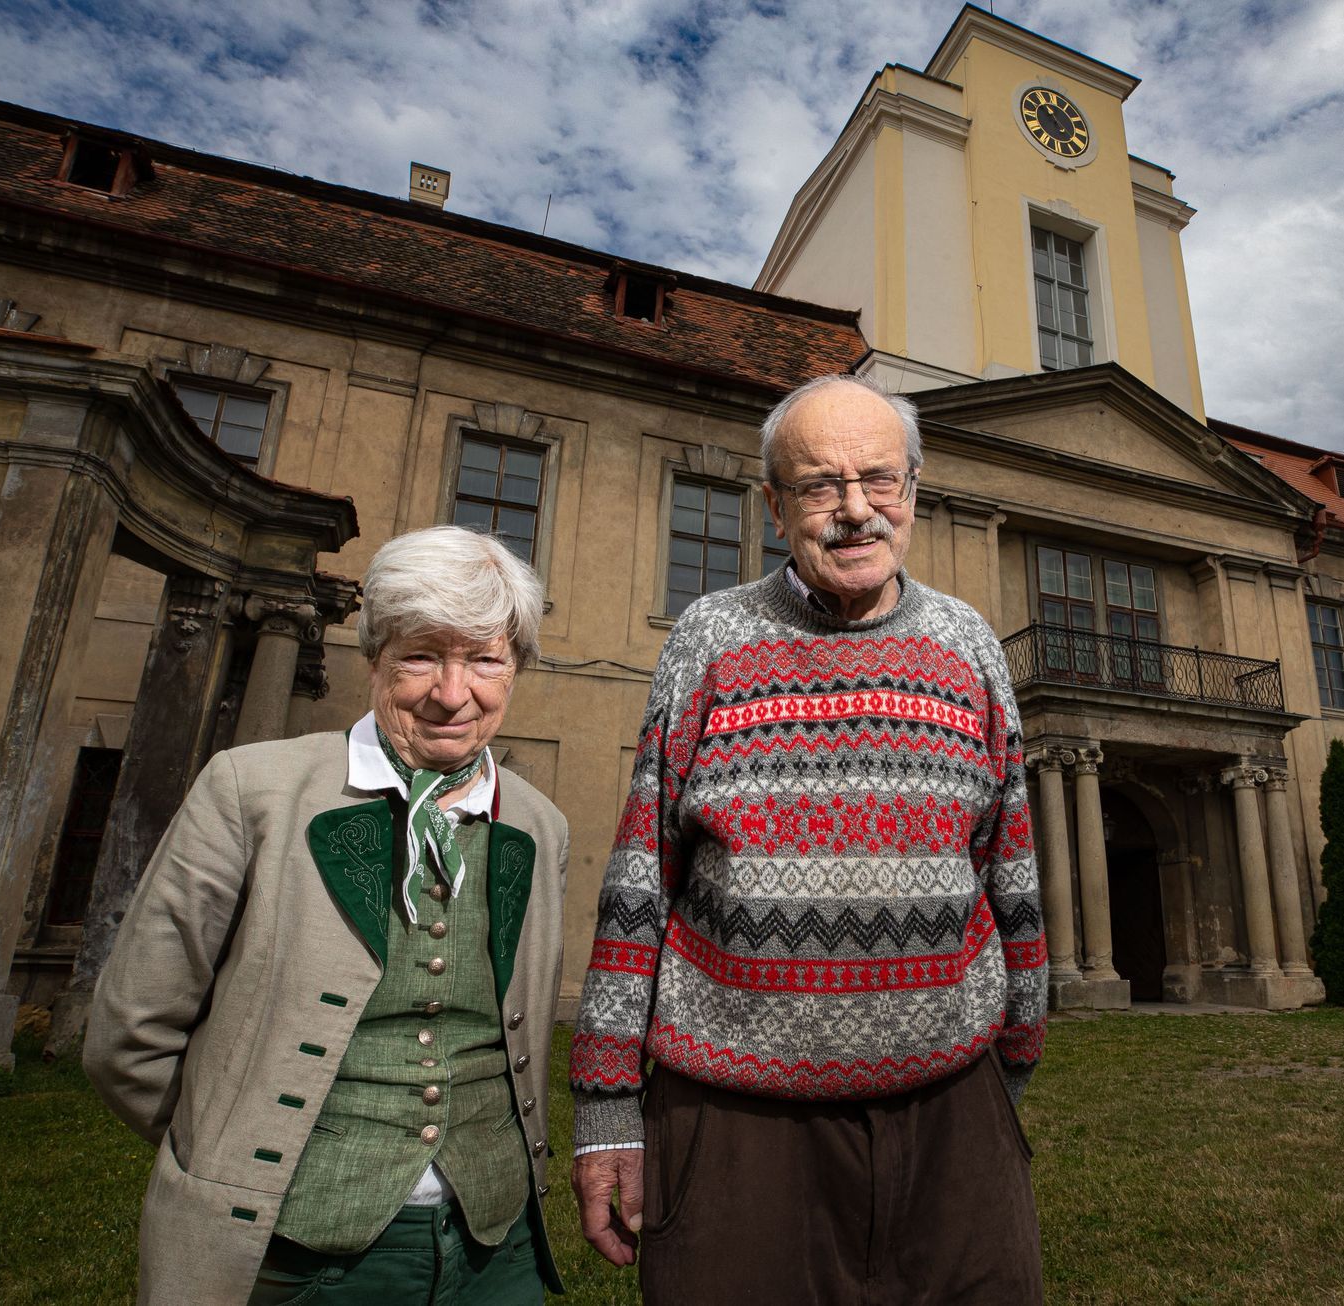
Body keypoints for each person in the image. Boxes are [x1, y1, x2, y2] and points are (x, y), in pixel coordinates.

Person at [569, 374, 1048, 1303]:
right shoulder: (711, 638)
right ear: (775, 506)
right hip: (737, 1120)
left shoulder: (969, 645)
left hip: (953, 1111)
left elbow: (1011, 865)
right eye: (822, 486)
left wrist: (1016, 1054)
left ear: (915, 489)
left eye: (880, 479)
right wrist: (605, 1108)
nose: (856, 511)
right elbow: (639, 878)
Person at [85, 525, 567, 1305]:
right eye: (420, 656)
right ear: (373, 657)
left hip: (494, 1249)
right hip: (299, 1255)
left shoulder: (539, 826)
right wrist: (234, 1151)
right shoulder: (253, 790)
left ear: (515, 667)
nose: (453, 693)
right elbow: (129, 1033)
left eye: (484, 659)